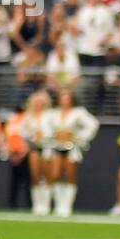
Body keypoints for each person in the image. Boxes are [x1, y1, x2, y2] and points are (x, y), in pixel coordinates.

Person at [43, 89, 99, 217]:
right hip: (56, 146)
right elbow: (45, 127)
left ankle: (66, 206)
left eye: (67, 97)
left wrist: (77, 136)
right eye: (63, 97)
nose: (65, 100)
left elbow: (93, 124)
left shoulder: (79, 112)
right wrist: (54, 135)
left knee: (70, 175)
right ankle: (58, 205)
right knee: (55, 174)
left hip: (72, 147)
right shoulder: (53, 113)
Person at [23, 90, 55, 215]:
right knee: (35, 175)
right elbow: (24, 133)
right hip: (35, 147)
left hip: (47, 147)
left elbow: (55, 129)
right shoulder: (28, 116)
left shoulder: (51, 115)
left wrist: (45, 135)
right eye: (36, 102)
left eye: (40, 102)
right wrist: (32, 136)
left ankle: (46, 204)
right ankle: (37, 204)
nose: (38, 104)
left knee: (47, 175)